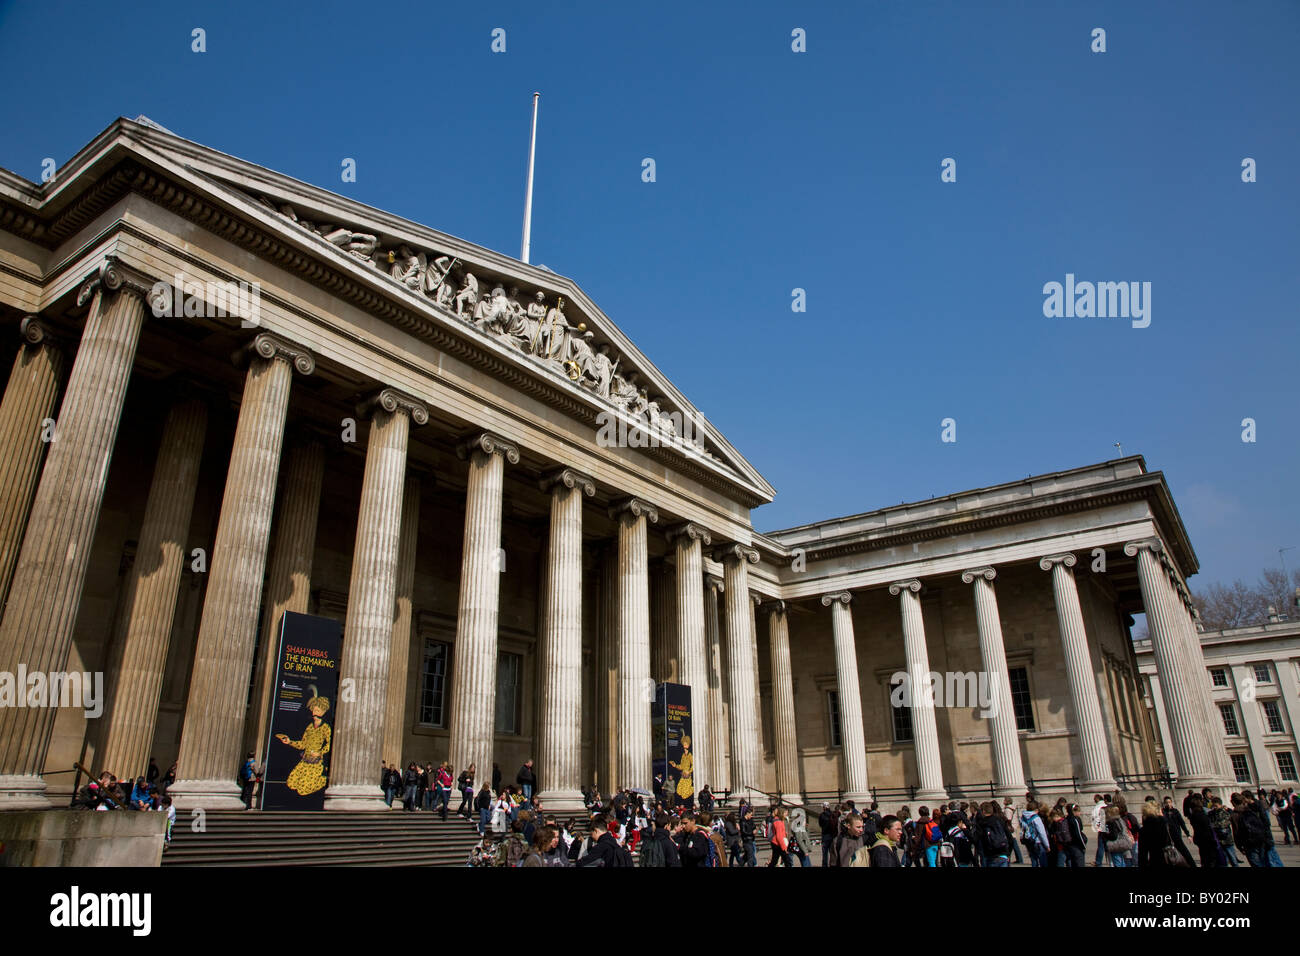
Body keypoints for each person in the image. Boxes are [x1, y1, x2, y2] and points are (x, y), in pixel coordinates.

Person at [1140, 798, 1188, 868]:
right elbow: (1182, 847)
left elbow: (1142, 856)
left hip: (1155, 862)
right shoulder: (1168, 826)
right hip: (1170, 860)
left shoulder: (1143, 830)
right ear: (1158, 811)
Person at [1160, 796, 1197, 867]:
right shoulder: (1163, 812)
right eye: (1166, 802)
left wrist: (1188, 834)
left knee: (1183, 851)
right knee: (1171, 853)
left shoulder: (1175, 811)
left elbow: (1182, 823)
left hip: (1177, 834)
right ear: (1164, 803)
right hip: (1168, 836)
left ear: (1171, 803)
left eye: (1169, 802)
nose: (1168, 804)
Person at [974, 801, 1012, 867]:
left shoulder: (982, 823)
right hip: (1003, 853)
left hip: (990, 855)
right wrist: (1008, 853)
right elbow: (1010, 838)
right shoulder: (999, 820)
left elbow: (976, 839)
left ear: (983, 811)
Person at [1208, 795, 1239, 866]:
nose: (1215, 807)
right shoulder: (1211, 814)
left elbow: (1223, 824)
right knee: (1223, 861)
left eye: (1216, 806)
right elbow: (1209, 823)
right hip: (1218, 840)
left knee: (1233, 859)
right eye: (1213, 806)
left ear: (1220, 805)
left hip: (1227, 839)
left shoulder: (1225, 812)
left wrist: (1214, 825)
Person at [1090, 794, 1110, 866]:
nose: (1094, 800)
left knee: (1101, 846)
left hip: (1101, 828)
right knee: (1108, 845)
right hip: (1108, 827)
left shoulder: (1097, 807)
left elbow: (1095, 818)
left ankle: (1098, 862)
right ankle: (1110, 861)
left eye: (1094, 799)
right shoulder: (1106, 805)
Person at [818, 802, 838, 868]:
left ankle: (824, 865)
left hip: (825, 834)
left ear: (824, 807)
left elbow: (820, 824)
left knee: (825, 852)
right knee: (832, 852)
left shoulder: (821, 815)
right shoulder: (832, 814)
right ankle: (833, 864)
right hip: (832, 834)